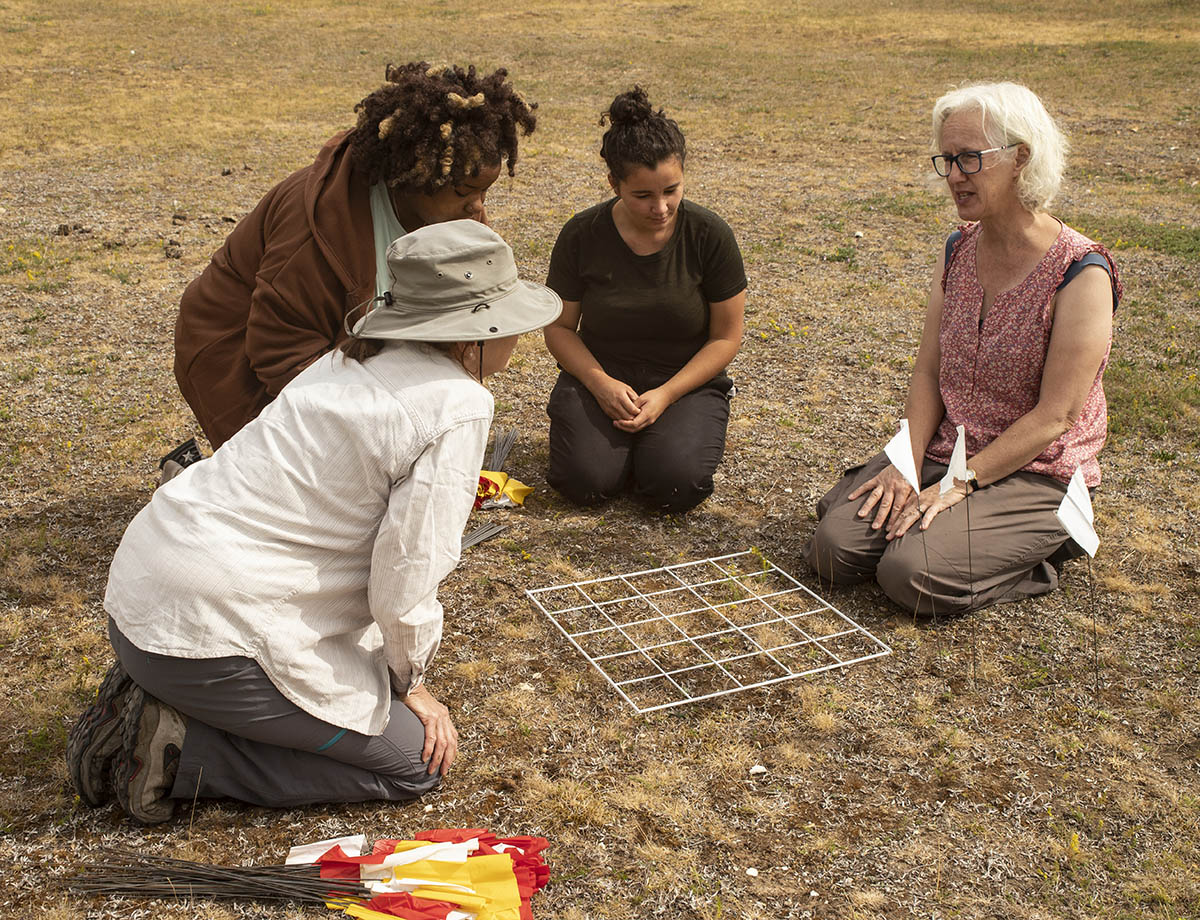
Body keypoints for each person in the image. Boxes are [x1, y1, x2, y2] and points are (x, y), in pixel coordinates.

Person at [66, 221, 562, 824]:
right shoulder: (458, 404)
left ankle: (163, 701)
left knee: (352, 696)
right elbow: (407, 575)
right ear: (475, 331)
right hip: (205, 641)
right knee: (415, 761)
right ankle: (177, 754)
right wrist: (411, 683)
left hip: (138, 608)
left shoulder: (347, 357)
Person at [805, 82, 1122, 615]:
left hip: (1037, 470)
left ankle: (1046, 552)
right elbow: (928, 372)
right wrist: (906, 462)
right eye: (947, 160)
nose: (954, 176)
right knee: (833, 550)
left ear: (1021, 157)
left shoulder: (1081, 272)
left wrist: (960, 483)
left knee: (909, 572)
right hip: (949, 447)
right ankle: (955, 531)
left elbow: (1057, 415)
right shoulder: (958, 247)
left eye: (970, 158)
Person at [173, 62, 537, 451]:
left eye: (485, 191)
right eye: (464, 191)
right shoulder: (317, 225)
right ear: (415, 176)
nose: (478, 207)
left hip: (334, 350)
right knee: (290, 477)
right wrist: (370, 431)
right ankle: (193, 474)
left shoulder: (456, 210)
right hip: (236, 353)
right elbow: (280, 354)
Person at [542, 87, 747, 513]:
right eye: (643, 196)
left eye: (672, 190)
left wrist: (667, 395)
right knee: (584, 484)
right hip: (602, 374)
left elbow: (726, 338)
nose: (661, 207)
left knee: (675, 486)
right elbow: (559, 328)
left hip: (684, 380)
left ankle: (651, 451)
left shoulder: (710, 235)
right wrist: (600, 385)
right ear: (613, 184)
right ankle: (622, 454)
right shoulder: (581, 234)